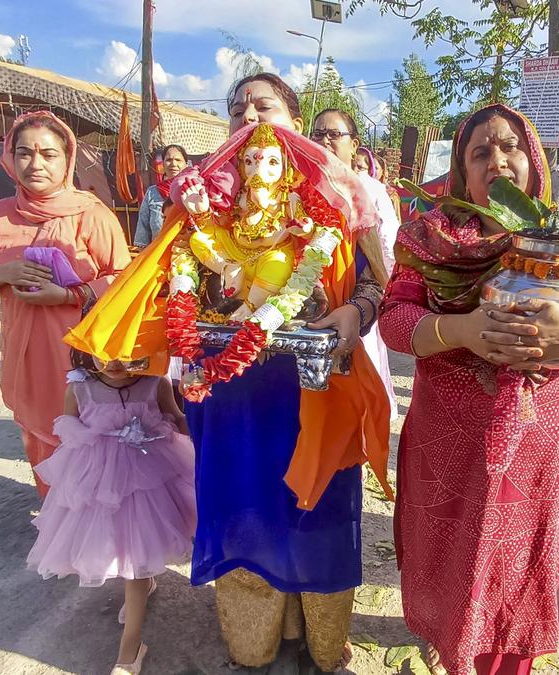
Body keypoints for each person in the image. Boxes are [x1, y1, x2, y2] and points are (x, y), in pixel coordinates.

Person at [66, 72, 392, 672]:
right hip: (228, 389)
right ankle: (257, 628)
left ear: (294, 120)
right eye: (239, 108)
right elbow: (166, 281)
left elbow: (378, 281)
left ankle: (320, 629)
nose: (250, 115)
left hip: (315, 388)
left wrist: (358, 309)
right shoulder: (201, 198)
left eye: (265, 106)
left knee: (315, 507)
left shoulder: (341, 193)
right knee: (245, 506)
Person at [381, 103, 559, 675]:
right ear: (461, 167)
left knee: (518, 560)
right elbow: (393, 318)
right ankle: (448, 642)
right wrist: (463, 330)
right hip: (448, 435)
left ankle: (504, 659)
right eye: (480, 152)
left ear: (535, 159)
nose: (497, 161)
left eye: (509, 147)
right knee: (449, 546)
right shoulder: (432, 236)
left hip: (543, 436)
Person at [0, 111, 131, 497]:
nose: (35, 164)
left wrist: (70, 295)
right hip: (25, 351)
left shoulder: (92, 214)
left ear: (66, 159)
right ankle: (55, 517)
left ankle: (96, 523)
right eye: (24, 153)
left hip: (81, 351)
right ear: (9, 158)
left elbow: (122, 278)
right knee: (40, 435)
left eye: (48, 155)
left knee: (90, 434)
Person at [27, 346, 195, 675]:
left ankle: (130, 649)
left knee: (137, 553)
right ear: (87, 350)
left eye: (128, 353)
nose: (115, 363)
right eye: (104, 353)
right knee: (117, 545)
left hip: (150, 478)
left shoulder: (155, 383)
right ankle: (143, 587)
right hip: (100, 485)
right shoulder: (79, 388)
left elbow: (176, 419)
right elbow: (70, 434)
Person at [311, 108, 402, 419]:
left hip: (356, 312)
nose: (324, 140)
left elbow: (386, 250)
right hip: (302, 321)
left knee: (353, 405)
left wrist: (368, 301)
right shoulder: (295, 185)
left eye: (333, 134)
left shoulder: (370, 191)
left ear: (354, 143)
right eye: (318, 133)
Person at [133, 145, 189, 248]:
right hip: (157, 257)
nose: (173, 164)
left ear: (186, 164)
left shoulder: (193, 191)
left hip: (188, 257)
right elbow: (143, 230)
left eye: (178, 160)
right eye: (168, 160)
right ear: (163, 164)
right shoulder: (153, 192)